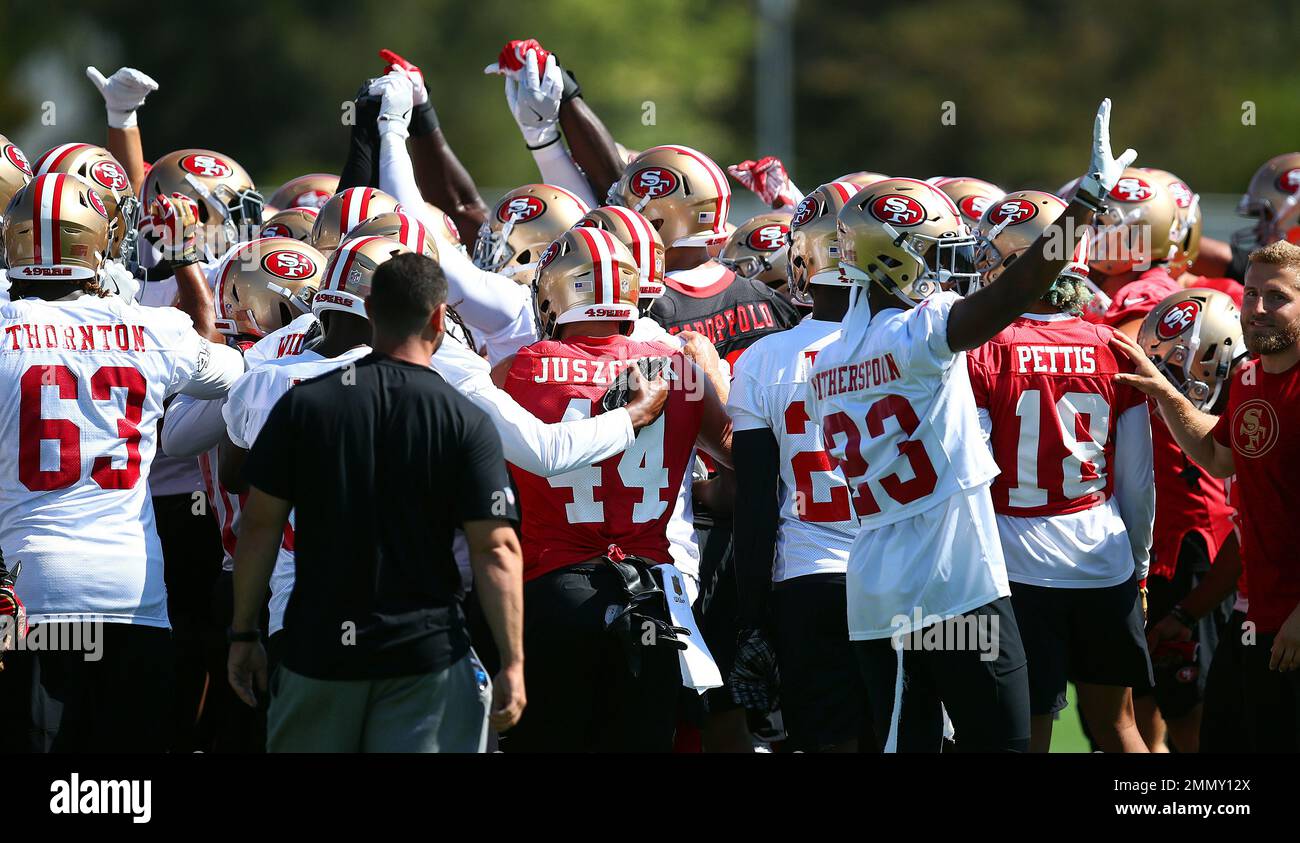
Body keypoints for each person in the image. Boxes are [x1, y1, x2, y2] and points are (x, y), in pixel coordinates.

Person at [808, 100, 1131, 752]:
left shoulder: (826, 359)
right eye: (935, 251)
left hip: (876, 596)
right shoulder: (919, 333)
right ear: (893, 258)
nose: (951, 265)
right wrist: (1086, 206)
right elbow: (1014, 294)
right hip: (957, 587)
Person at [227, 253, 525, 752]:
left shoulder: (305, 404)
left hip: (317, 646)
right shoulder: (463, 416)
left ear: (369, 307)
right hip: (424, 652)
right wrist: (512, 662)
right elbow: (495, 550)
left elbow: (258, 527)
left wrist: (242, 634)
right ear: (438, 319)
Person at [0, 175, 244, 752]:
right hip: (133, 596)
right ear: (96, 243)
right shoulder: (155, 330)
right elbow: (234, 375)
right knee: (125, 789)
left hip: (26, 593)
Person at [498, 227, 733, 752]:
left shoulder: (519, 368)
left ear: (554, 291)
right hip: (649, 595)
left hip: (553, 589)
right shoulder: (679, 369)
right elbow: (744, 462)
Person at [966, 190, 1155, 753]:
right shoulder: (1114, 347)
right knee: (1120, 727)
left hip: (1017, 563)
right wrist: (1137, 567)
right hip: (1105, 557)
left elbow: (973, 472)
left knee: (1029, 730)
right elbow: (1139, 482)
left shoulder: (983, 349)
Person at [1112, 239, 1300, 752]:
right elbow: (1219, 457)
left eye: (1277, 297)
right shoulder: (1247, 377)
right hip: (1255, 615)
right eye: (1253, 294)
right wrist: (1165, 391)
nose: (1258, 309)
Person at [727, 181, 870, 752]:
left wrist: (750, 616)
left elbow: (757, 500)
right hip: (904, 570)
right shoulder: (911, 342)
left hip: (810, 574)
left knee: (824, 739)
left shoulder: (764, 356)